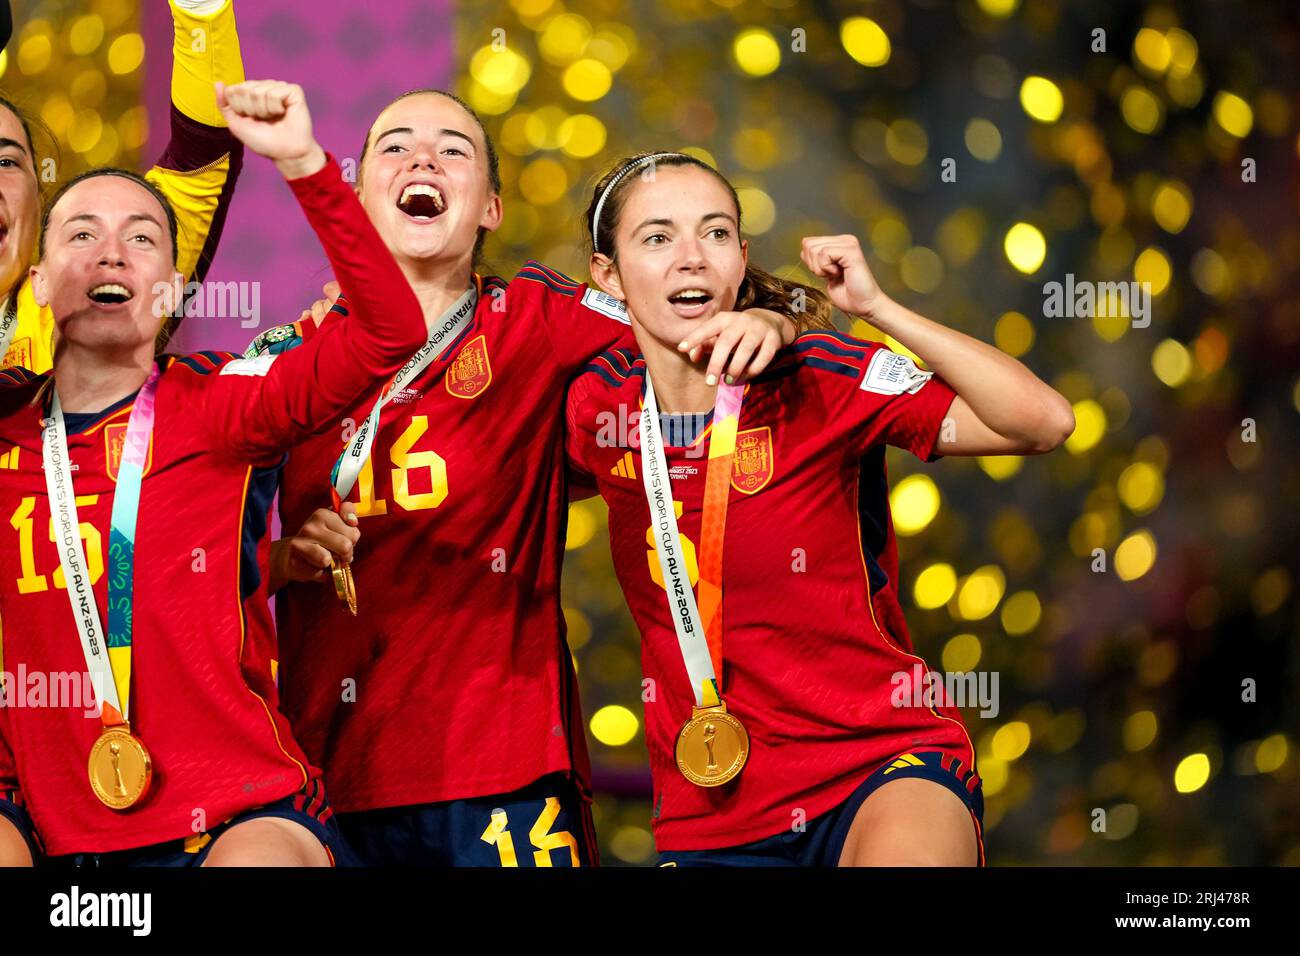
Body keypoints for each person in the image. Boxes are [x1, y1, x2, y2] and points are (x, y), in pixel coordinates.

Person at [244, 91, 802, 866]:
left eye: (453, 149)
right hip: (328, 779)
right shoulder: (281, 360)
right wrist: (278, 559)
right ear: (361, 195)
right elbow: (182, 555)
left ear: (491, 209)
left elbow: (691, 310)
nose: (423, 161)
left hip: (506, 774)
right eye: (395, 147)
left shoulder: (536, 317)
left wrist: (775, 320)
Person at [564, 151, 1076, 866]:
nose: (691, 259)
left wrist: (877, 309)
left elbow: (1042, 421)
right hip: (714, 812)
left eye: (714, 234)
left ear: (741, 258)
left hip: (878, 764)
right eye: (657, 238)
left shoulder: (818, 377)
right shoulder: (595, 406)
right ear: (607, 274)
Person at [0, 77, 428, 866]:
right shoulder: (4, 437)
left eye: (141, 239)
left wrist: (303, 161)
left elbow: (390, 331)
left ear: (172, 288)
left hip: (237, 814)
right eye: (80, 234)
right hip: (55, 831)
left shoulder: (223, 404)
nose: (110, 253)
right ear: (34, 280)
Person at [1, 0, 246, 374]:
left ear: (39, 202)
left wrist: (199, 8)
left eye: (7, 163)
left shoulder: (76, 305)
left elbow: (205, 156)